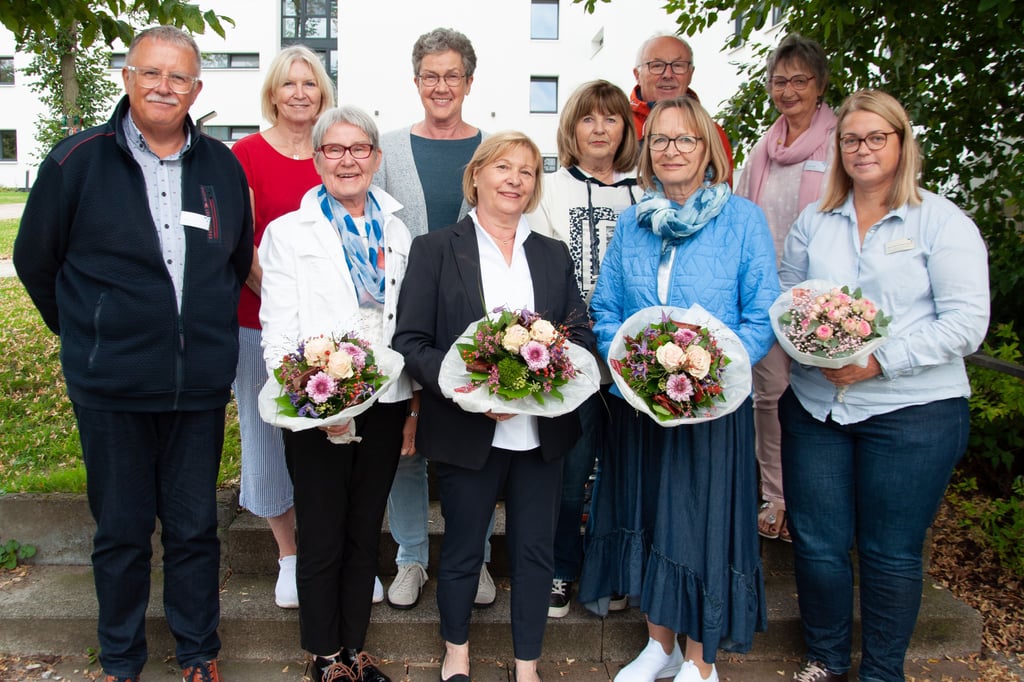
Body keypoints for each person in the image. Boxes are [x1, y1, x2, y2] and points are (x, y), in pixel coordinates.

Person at [12, 26, 252, 682]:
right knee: (120, 533)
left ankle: (198, 652)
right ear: (127, 77)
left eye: (178, 78)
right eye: (151, 73)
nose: (164, 87)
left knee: (194, 529)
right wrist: (88, 333)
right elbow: (34, 260)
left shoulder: (222, 168)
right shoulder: (76, 161)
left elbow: (235, 259)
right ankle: (121, 660)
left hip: (196, 386)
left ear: (196, 90)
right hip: (111, 386)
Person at [778, 90, 989, 682]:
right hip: (818, 407)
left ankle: (882, 671)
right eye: (851, 139)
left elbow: (967, 323)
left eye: (876, 138)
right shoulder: (814, 222)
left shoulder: (940, 221)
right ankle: (825, 658)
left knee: (890, 552)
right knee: (818, 545)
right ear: (837, 147)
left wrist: (880, 361)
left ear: (902, 143)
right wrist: (808, 347)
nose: (862, 149)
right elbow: (788, 302)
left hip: (912, 412)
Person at [580, 97, 779, 682]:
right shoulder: (633, 222)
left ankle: (701, 659)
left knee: (700, 521)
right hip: (642, 405)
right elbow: (606, 307)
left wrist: (709, 376)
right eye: (660, 140)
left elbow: (760, 314)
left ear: (707, 148)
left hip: (713, 407)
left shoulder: (742, 219)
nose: (671, 150)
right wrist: (637, 369)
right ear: (647, 151)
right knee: (647, 514)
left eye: (685, 139)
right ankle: (660, 645)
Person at [393, 132, 595, 682]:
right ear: (476, 176)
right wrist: (469, 390)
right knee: (462, 550)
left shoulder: (552, 254)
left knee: (534, 553)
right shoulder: (436, 248)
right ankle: (455, 651)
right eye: (503, 167)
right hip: (466, 432)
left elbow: (579, 334)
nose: (515, 179)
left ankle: (527, 663)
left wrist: (549, 375)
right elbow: (411, 342)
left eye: (527, 172)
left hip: (541, 436)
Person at [258, 105, 416, 682]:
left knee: (362, 527)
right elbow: (277, 332)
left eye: (359, 149)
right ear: (318, 157)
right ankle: (325, 656)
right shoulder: (287, 232)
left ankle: (356, 647)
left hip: (388, 396)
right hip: (316, 402)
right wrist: (313, 405)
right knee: (322, 532)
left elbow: (405, 322)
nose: (347, 160)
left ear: (376, 158)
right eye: (335, 149)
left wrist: (411, 405)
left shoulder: (397, 230)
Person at [373, 26, 495, 611]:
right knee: (408, 440)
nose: (440, 86)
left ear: (469, 82)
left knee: (477, 439)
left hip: (478, 318)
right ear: (416, 81)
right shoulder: (389, 150)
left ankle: (476, 558)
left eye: (452, 75)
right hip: (407, 314)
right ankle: (412, 557)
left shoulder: (494, 149)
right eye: (430, 75)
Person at [230, 44, 340, 610]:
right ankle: (289, 557)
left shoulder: (334, 152)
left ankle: (331, 550)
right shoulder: (246, 154)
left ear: (324, 92)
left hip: (334, 335)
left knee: (330, 438)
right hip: (260, 323)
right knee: (269, 434)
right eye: (289, 84)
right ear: (272, 93)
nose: (301, 93)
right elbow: (242, 245)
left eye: (311, 83)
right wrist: (283, 308)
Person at [526, 79, 640, 618]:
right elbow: (539, 272)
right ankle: (561, 570)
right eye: (588, 119)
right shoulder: (550, 190)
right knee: (572, 469)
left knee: (623, 469)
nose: (599, 129)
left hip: (639, 353)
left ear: (626, 129)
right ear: (572, 128)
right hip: (573, 349)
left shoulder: (648, 192)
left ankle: (613, 570)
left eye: (610, 119)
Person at [734, 34, 837, 544]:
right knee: (769, 396)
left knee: (822, 393)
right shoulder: (764, 149)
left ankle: (818, 499)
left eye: (800, 79)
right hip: (767, 295)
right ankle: (775, 494)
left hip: (827, 301)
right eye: (780, 80)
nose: (789, 89)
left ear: (820, 85)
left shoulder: (841, 142)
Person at [629, 33, 734, 175]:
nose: (667, 74)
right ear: (637, 75)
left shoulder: (711, 132)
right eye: (657, 66)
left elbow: (723, 190)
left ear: (691, 74)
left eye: (678, 66)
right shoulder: (618, 127)